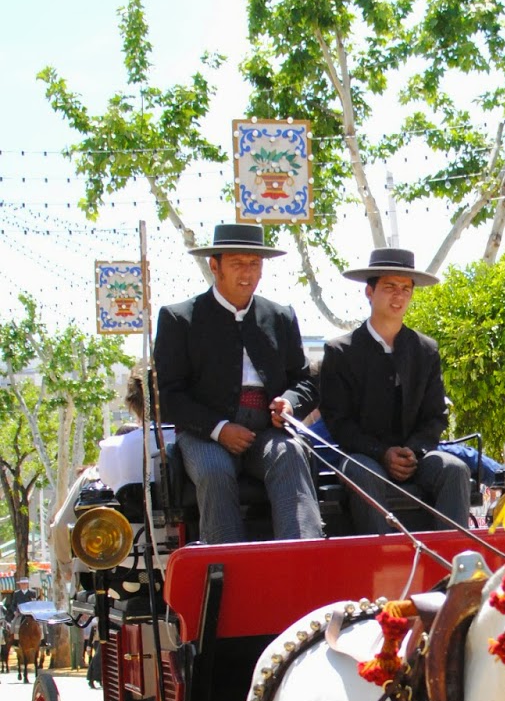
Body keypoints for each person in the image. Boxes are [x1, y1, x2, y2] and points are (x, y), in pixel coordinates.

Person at [153, 222, 322, 544]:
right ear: (214, 266)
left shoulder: (280, 316)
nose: (247, 273)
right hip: (206, 435)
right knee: (215, 474)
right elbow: (168, 395)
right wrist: (218, 429)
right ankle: (225, 569)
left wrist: (290, 402)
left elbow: (304, 381)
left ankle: (302, 557)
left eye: (254, 264)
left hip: (269, 431)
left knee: (290, 456)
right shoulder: (180, 319)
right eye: (237, 264)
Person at [319, 247, 470, 535]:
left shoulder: (425, 350)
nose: (398, 296)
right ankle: (380, 565)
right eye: (389, 287)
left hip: (417, 456)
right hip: (364, 457)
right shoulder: (341, 352)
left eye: (405, 289)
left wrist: (413, 451)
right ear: (369, 292)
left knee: (454, 469)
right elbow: (339, 422)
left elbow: (436, 416)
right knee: (362, 472)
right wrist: (381, 452)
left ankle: (455, 566)